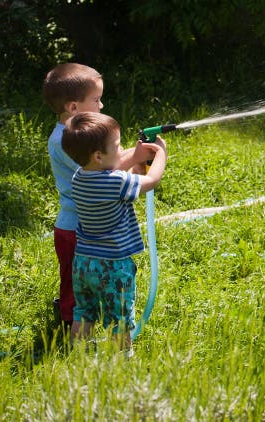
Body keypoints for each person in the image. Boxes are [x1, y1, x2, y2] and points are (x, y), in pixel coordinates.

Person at [42, 63, 152, 328]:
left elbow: (109, 166)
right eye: (96, 100)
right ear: (73, 108)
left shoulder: (76, 138)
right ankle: (69, 322)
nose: (101, 106)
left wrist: (134, 156)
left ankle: (79, 313)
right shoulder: (64, 142)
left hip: (85, 223)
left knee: (82, 276)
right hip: (74, 227)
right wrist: (136, 158)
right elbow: (104, 175)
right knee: (74, 280)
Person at [61, 112, 166, 351]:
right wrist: (160, 154)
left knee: (84, 313)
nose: (122, 152)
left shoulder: (79, 177)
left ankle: (78, 354)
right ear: (98, 155)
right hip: (113, 265)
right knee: (119, 320)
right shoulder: (116, 182)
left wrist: (137, 158)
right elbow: (151, 180)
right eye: (118, 147)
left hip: (84, 263)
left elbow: (117, 171)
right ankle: (122, 363)